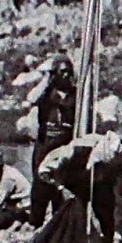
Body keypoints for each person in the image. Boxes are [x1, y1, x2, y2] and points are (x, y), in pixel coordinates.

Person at [32, 131, 122, 243]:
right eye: (100, 167)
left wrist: (118, 237)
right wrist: (61, 187)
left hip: (103, 192)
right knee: (72, 219)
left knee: (117, 232)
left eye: (107, 169)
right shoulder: (75, 151)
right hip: (75, 185)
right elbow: (44, 170)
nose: (103, 172)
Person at [27, 56, 78, 225]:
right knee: (40, 188)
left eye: (68, 72)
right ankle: (35, 224)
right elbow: (31, 99)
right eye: (61, 72)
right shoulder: (46, 93)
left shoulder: (76, 94)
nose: (65, 76)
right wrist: (47, 79)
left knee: (61, 189)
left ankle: (59, 226)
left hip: (64, 146)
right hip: (45, 145)